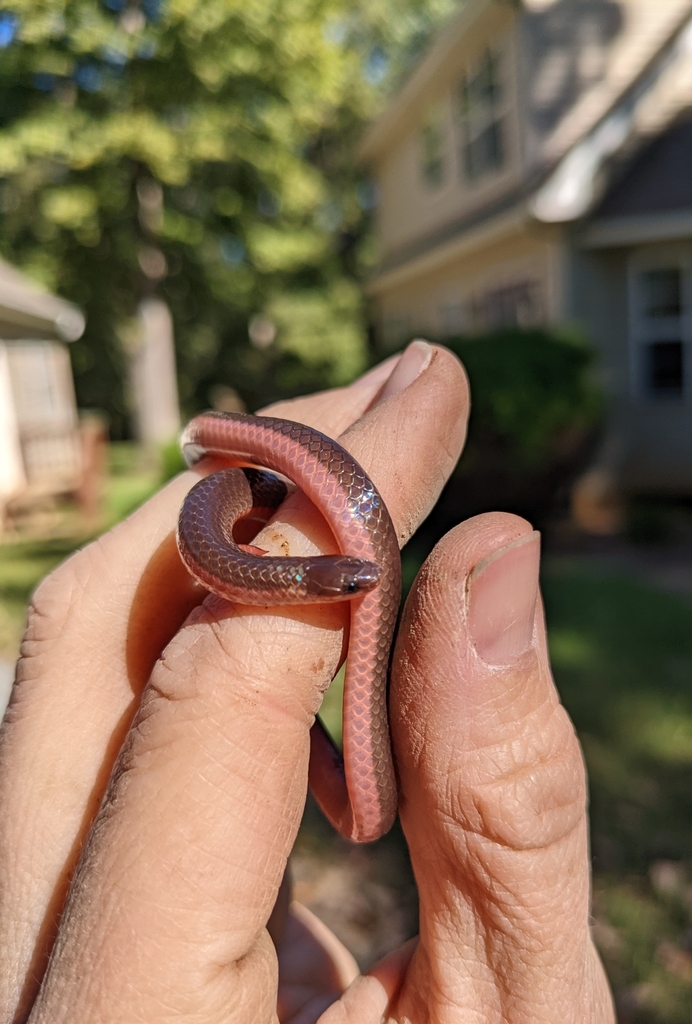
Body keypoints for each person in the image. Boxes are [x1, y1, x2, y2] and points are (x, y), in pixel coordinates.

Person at [0, 341, 614, 1023]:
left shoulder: (303, 560)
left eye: (356, 580)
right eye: (354, 581)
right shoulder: (247, 552)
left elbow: (366, 813)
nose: (366, 582)